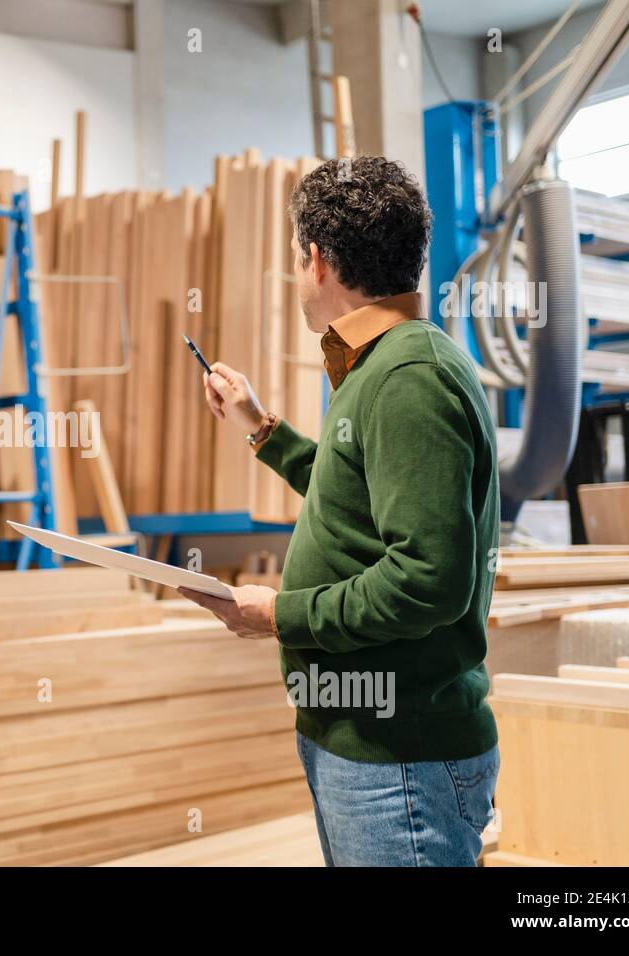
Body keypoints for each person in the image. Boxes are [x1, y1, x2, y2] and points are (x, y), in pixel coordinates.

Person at [180, 156, 500, 867]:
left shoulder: (410, 375)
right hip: (367, 741)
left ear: (318, 261)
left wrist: (279, 615)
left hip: (399, 759)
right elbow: (354, 501)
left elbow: (427, 579)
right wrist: (262, 429)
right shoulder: (381, 364)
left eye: (297, 258)